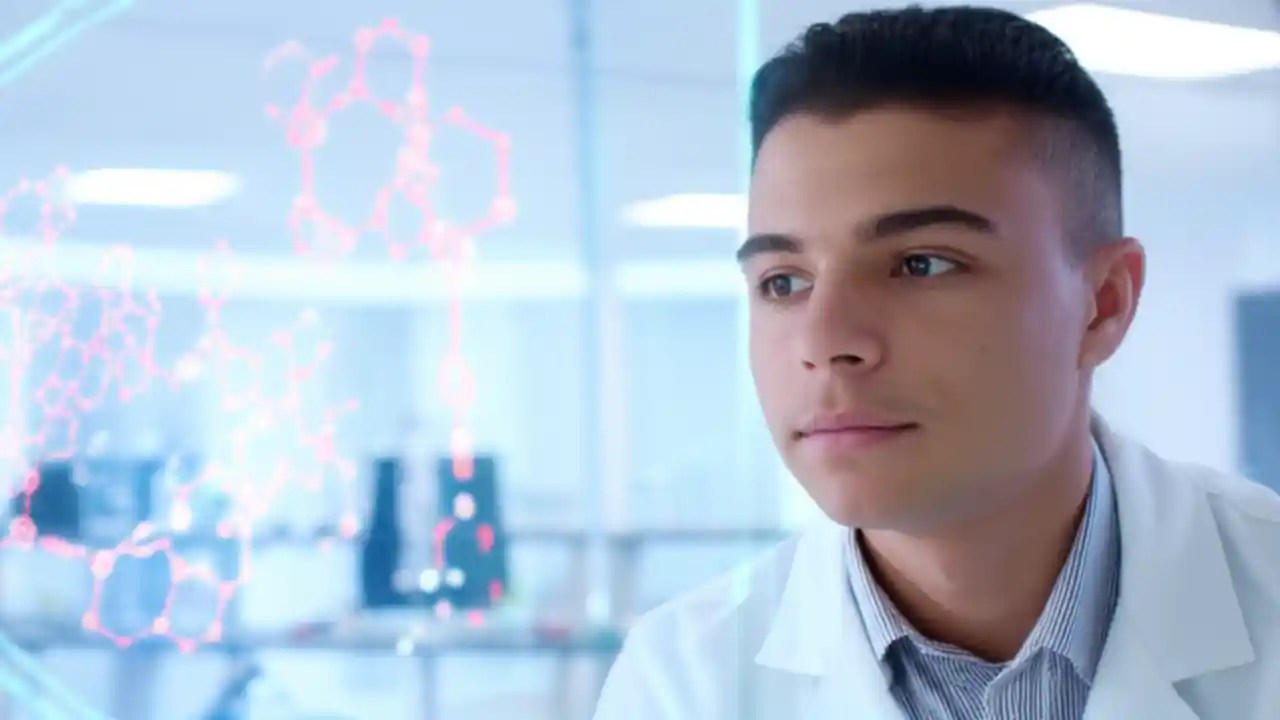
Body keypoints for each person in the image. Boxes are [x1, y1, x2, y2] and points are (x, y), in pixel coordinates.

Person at [593, 6, 1280, 720]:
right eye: (784, 282)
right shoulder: (682, 682)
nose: (824, 338)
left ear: (1102, 304)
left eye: (920, 264)